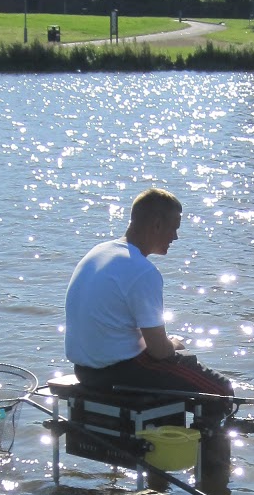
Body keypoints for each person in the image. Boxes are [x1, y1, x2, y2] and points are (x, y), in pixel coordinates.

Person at [64, 187, 236, 455]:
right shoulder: (143, 272)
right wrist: (174, 345)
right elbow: (159, 351)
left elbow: (116, 326)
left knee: (182, 370)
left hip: (84, 369)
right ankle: (210, 480)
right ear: (156, 224)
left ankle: (172, 451)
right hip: (118, 371)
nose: (176, 237)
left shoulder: (99, 252)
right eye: (174, 228)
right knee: (220, 390)